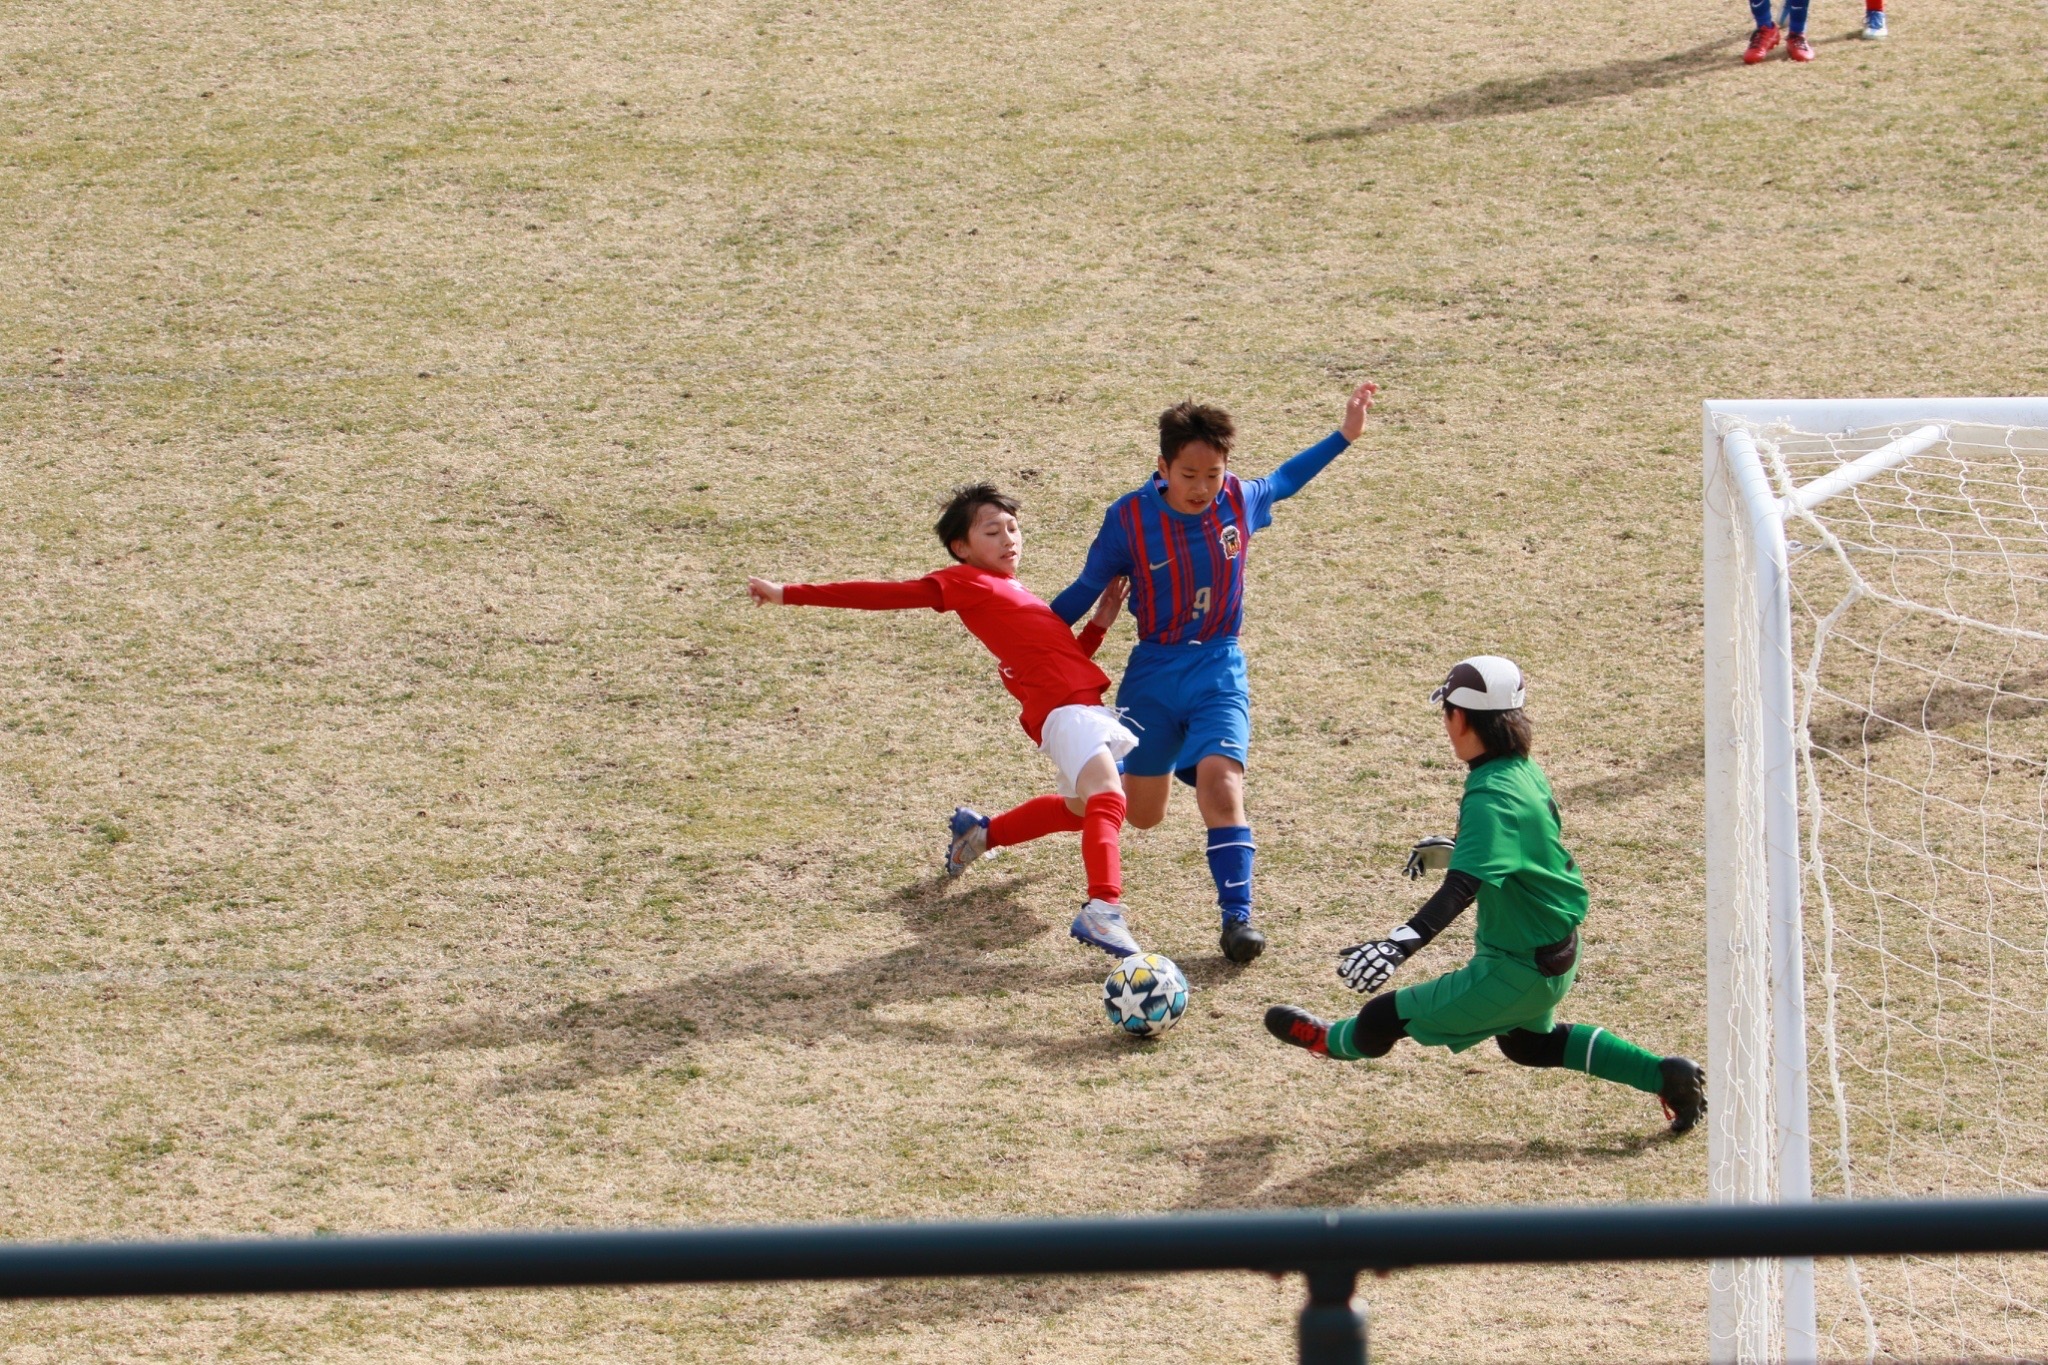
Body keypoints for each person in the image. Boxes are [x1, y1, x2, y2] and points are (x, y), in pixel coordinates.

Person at [1262, 656, 1708, 1135]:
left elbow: (1461, 889)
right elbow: (1519, 846)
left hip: (1518, 969)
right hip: (1552, 951)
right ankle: (1665, 1075)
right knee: (1529, 1045)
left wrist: (1396, 945)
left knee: (1381, 1017)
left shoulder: (1489, 795)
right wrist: (1462, 851)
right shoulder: (1520, 770)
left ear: (1459, 717)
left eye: (1446, 713)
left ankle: (1329, 1041)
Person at [1020, 380, 1379, 966]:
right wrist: (1032, 639)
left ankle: (1238, 919)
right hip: (1154, 674)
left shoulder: (1237, 498)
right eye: (1188, 474)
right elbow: (1085, 589)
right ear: (1162, 467)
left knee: (1222, 785)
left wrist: (1345, 435)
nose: (1202, 487)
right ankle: (995, 828)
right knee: (1139, 814)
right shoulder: (1129, 519)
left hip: (1218, 666)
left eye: (1212, 474)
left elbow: (1284, 480)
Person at [747, 484, 1148, 959]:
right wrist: (788, 594)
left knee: (1082, 810)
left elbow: (1058, 663)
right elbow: (885, 596)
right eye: (992, 531)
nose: (1009, 539)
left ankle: (981, 834)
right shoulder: (968, 582)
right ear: (961, 548)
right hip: (1069, 714)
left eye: (1013, 528)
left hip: (1077, 708)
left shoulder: (1013, 594)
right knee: (1107, 796)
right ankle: (1103, 908)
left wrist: (1098, 625)